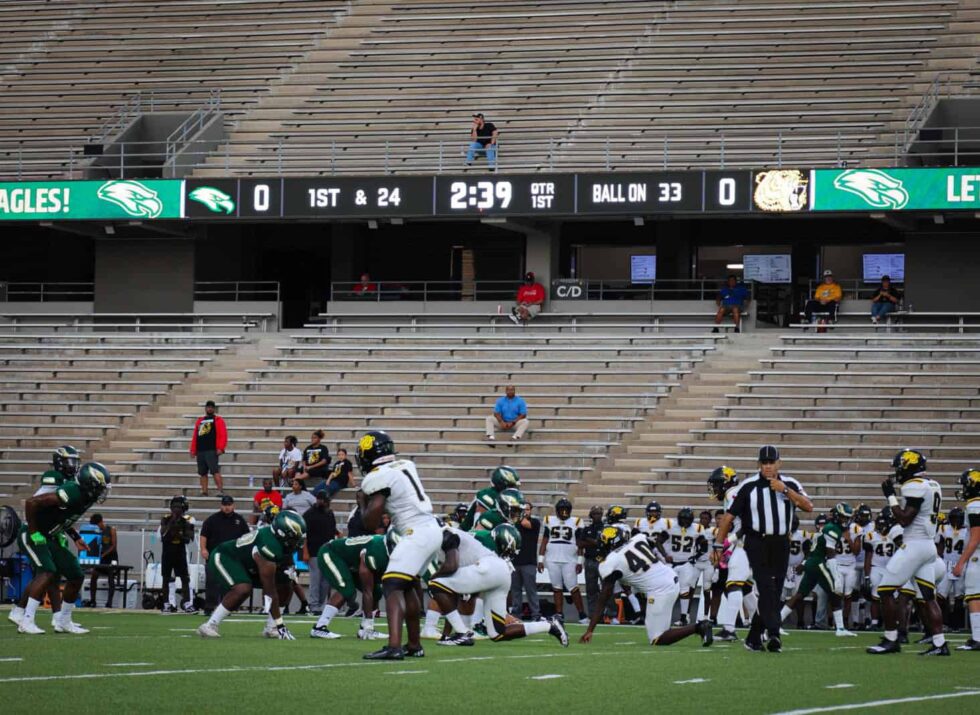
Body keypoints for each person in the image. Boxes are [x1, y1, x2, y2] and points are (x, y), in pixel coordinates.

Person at [712, 446, 813, 653]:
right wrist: (718, 545)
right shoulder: (748, 486)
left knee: (773, 592)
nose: (768, 466)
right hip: (756, 541)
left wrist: (784, 489)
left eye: (771, 462)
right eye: (764, 463)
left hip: (781, 542)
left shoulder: (791, 483)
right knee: (767, 586)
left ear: (779, 463)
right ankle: (774, 633)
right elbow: (729, 517)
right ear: (759, 464)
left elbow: (808, 507)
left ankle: (753, 637)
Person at [358, 430, 444, 660]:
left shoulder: (377, 477)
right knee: (407, 584)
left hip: (415, 531)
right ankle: (414, 645)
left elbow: (371, 520)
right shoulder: (405, 464)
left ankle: (394, 646)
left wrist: (362, 502)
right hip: (432, 528)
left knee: (392, 584)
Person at [430, 524, 568, 647]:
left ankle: (462, 633)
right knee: (497, 633)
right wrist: (446, 634)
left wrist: (433, 577)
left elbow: (451, 567)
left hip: (490, 567)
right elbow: (452, 595)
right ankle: (549, 626)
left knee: (436, 583)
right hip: (501, 573)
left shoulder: (446, 534)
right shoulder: (475, 540)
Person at [13, 462, 110, 635]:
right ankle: (26, 620)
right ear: (89, 483)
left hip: (49, 536)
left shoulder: (87, 497)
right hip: (31, 533)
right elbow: (32, 502)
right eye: (99, 487)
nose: (102, 492)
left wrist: (76, 537)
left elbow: (62, 518)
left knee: (76, 575)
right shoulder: (72, 492)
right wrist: (34, 532)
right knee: (47, 572)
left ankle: (63, 621)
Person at [867, 450, 947, 655]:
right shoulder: (933, 484)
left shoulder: (914, 486)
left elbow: (904, 519)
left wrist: (890, 497)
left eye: (900, 468)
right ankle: (940, 643)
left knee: (884, 591)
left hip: (915, 545)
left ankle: (891, 638)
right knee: (928, 596)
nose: (898, 472)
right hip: (928, 545)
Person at [580, 525, 714, 647]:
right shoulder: (638, 539)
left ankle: (699, 627)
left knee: (657, 639)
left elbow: (603, 598)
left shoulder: (610, 562)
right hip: (670, 577)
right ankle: (696, 627)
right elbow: (652, 544)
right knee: (661, 629)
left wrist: (590, 630)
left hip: (659, 589)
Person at [197, 510, 307, 639]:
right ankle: (210, 625)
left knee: (286, 583)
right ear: (281, 533)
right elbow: (269, 592)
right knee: (243, 588)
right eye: (294, 537)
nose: (298, 542)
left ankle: (271, 627)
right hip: (226, 556)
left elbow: (289, 571)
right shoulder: (268, 546)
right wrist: (281, 625)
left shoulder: (281, 543)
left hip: (248, 564)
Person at [780, 503, 857, 637]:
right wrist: (836, 577)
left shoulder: (831, 527)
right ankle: (840, 628)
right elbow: (831, 554)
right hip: (819, 563)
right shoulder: (831, 529)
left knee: (800, 595)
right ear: (838, 516)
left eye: (847, 518)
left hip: (812, 562)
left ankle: (776, 622)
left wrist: (805, 562)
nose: (846, 520)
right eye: (844, 517)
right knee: (835, 592)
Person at [310, 531, 399, 640]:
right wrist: (368, 623)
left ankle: (364, 629)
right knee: (346, 589)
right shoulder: (376, 551)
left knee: (377, 592)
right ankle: (319, 628)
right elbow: (367, 589)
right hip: (331, 553)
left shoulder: (385, 549)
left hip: (351, 561)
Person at [539, 498, 588, 624]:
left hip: (569, 559)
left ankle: (582, 614)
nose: (564, 512)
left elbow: (579, 543)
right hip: (552, 559)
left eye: (566, 510)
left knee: (573, 587)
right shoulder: (549, 520)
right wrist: (541, 559)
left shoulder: (576, 522)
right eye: (562, 510)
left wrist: (579, 561)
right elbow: (544, 541)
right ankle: (559, 614)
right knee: (556, 587)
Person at [199, 495, 249, 614]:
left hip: (232, 558)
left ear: (233, 505)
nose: (227, 507)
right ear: (221, 506)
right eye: (225, 505)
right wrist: (203, 549)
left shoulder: (239, 520)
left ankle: (228, 608)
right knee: (212, 582)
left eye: (229, 505)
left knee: (230, 584)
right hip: (214, 557)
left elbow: (246, 537)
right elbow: (203, 535)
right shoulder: (212, 520)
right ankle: (210, 607)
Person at [662, 507, 709, 626]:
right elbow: (658, 541)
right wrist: (665, 555)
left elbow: (704, 546)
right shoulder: (671, 526)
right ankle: (664, 615)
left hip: (686, 563)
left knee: (685, 590)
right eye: (683, 519)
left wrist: (696, 556)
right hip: (671, 563)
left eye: (687, 519)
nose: (684, 522)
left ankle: (683, 617)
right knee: (666, 589)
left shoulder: (697, 528)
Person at [951, 467, 980, 650]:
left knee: (974, 596)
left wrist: (961, 562)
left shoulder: (975, 505)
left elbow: (976, 537)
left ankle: (977, 638)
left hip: (978, 556)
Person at [159, 495, 197, 614]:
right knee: (166, 577)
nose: (176, 510)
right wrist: (172, 524)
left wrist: (179, 533)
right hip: (168, 552)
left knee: (184, 577)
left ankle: (186, 603)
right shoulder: (166, 519)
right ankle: (166, 603)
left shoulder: (186, 521)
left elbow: (188, 538)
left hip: (180, 551)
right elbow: (163, 535)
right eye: (174, 507)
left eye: (178, 507)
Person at [303, 491, 338, 615]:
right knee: (315, 580)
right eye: (319, 499)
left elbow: (333, 531)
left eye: (323, 500)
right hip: (314, 551)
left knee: (326, 581)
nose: (321, 502)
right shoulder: (308, 514)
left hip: (328, 551)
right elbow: (304, 535)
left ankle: (321, 605)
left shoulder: (329, 514)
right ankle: (313, 605)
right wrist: (305, 551)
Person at [460, 466, 521, 530]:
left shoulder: (506, 496)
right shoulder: (488, 495)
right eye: (511, 486)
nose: (514, 489)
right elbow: (480, 521)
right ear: (501, 483)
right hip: (470, 532)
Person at [510, 501, 542, 621]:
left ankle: (536, 614)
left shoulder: (534, 522)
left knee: (531, 590)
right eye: (524, 509)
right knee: (515, 591)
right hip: (514, 561)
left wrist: (519, 514)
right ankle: (516, 615)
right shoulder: (514, 523)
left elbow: (525, 524)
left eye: (528, 509)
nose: (526, 511)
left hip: (528, 562)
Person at [190, 400, 227, 497]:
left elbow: (223, 435)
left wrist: (221, 447)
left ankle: (220, 490)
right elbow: (195, 436)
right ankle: (204, 491)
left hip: (211, 450)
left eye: (211, 407)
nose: (209, 409)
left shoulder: (218, 420)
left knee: (215, 471)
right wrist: (193, 449)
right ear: (205, 408)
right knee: (202, 472)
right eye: (208, 407)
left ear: (214, 409)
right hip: (201, 450)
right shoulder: (200, 420)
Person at [578, 505, 605, 620]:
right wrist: (595, 542)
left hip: (604, 561)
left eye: (599, 513)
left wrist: (589, 540)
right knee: (591, 589)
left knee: (606, 589)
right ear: (591, 515)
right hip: (590, 560)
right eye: (595, 513)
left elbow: (605, 544)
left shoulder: (606, 528)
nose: (597, 516)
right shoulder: (586, 529)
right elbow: (580, 544)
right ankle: (593, 615)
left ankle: (609, 614)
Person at [87, 513, 118, 608]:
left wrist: (104, 554)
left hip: (111, 558)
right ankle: (93, 600)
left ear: (101, 522)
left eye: (96, 525)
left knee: (111, 577)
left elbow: (114, 546)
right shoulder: (96, 532)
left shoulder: (111, 530)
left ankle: (109, 602)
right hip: (100, 558)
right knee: (94, 576)